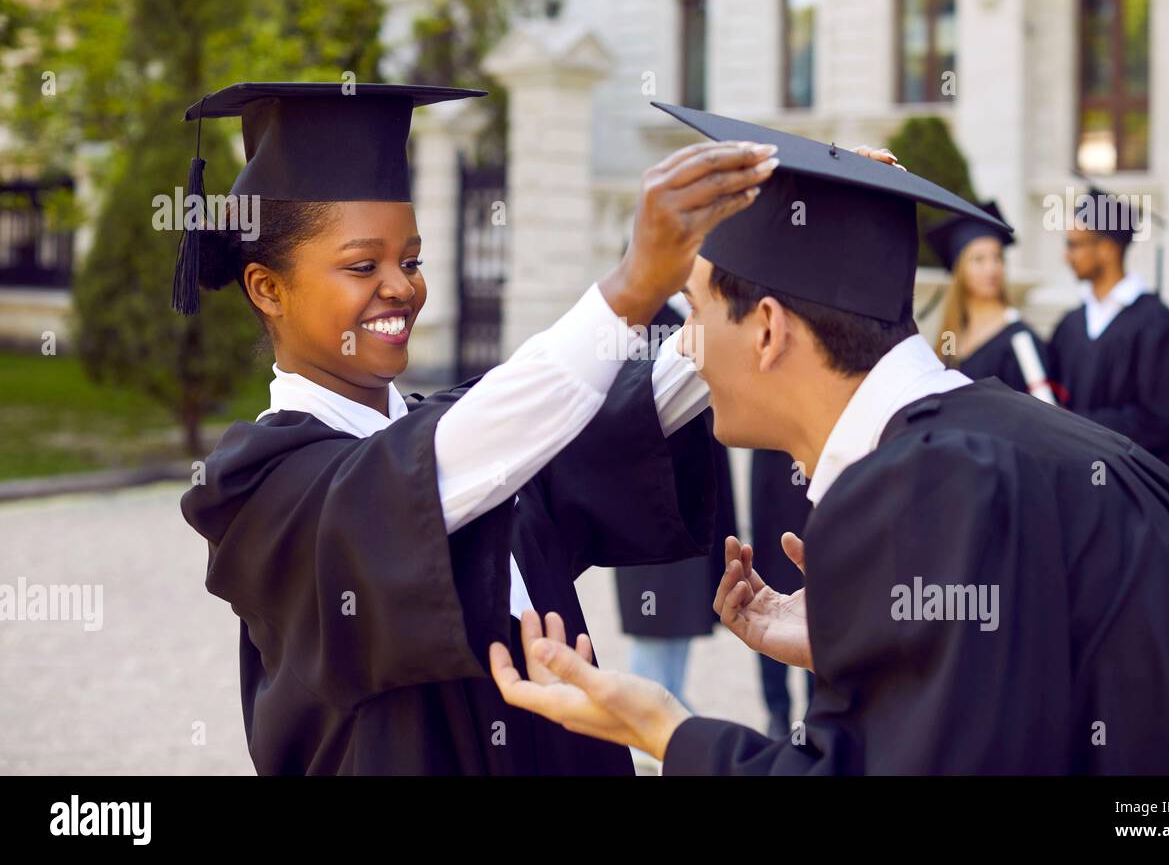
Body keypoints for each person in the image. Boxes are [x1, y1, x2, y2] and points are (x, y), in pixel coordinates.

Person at [488, 102, 1169, 775]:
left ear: (767, 330)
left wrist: (665, 729)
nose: (686, 349)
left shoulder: (923, 485)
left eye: (695, 317)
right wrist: (871, 639)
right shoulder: (992, 438)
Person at [175, 81, 778, 774]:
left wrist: (770, 263)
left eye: (411, 260)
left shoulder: (459, 439)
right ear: (267, 288)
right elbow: (437, 467)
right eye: (362, 265)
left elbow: (621, 412)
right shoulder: (264, 493)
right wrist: (630, 288)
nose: (401, 287)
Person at [614, 296, 738, 720]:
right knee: (657, 627)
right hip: (653, 500)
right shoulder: (644, 319)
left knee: (679, 623)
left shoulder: (700, 318)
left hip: (694, 497)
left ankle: (668, 719)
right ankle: (652, 733)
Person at [1049, 186, 1169, 474]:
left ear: (1106, 248)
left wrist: (1068, 425)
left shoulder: (1162, 327)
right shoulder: (1070, 324)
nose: (1067, 256)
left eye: (1074, 244)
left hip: (1138, 489)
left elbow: (1156, 420)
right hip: (1078, 481)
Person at [926, 202, 1054, 402]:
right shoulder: (951, 337)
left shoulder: (1020, 339)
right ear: (959, 270)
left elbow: (1044, 410)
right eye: (979, 260)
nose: (991, 268)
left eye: (997, 258)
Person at [747, 448, 812, 738]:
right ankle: (776, 710)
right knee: (768, 593)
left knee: (822, 591)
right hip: (772, 455)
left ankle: (816, 708)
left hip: (816, 453)